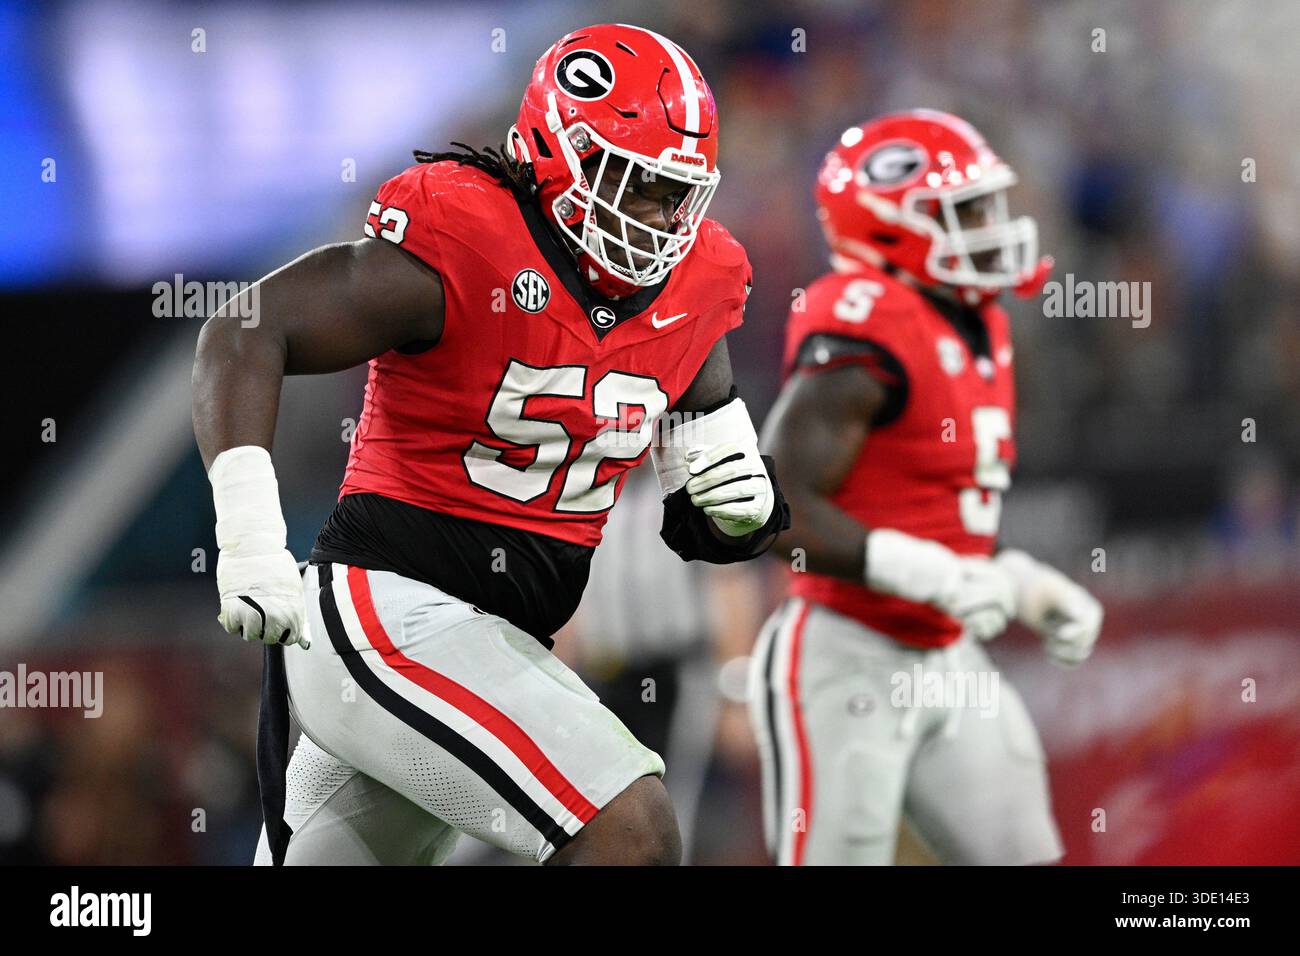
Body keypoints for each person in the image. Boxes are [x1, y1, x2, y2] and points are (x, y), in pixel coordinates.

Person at [192, 23, 787, 866]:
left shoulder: (698, 283)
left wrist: (746, 507)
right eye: (636, 183)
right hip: (386, 613)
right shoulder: (466, 235)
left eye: (675, 192)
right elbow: (244, 333)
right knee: (630, 825)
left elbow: (706, 512)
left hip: (496, 640)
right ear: (556, 151)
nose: (659, 217)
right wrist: (250, 536)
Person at [749, 110, 1101, 866]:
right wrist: (928, 573)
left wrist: (1017, 578)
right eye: (964, 210)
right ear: (886, 226)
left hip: (949, 656)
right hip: (846, 656)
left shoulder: (977, 320)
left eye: (988, 204)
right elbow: (769, 505)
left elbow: (941, 499)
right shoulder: (867, 319)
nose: (991, 225)